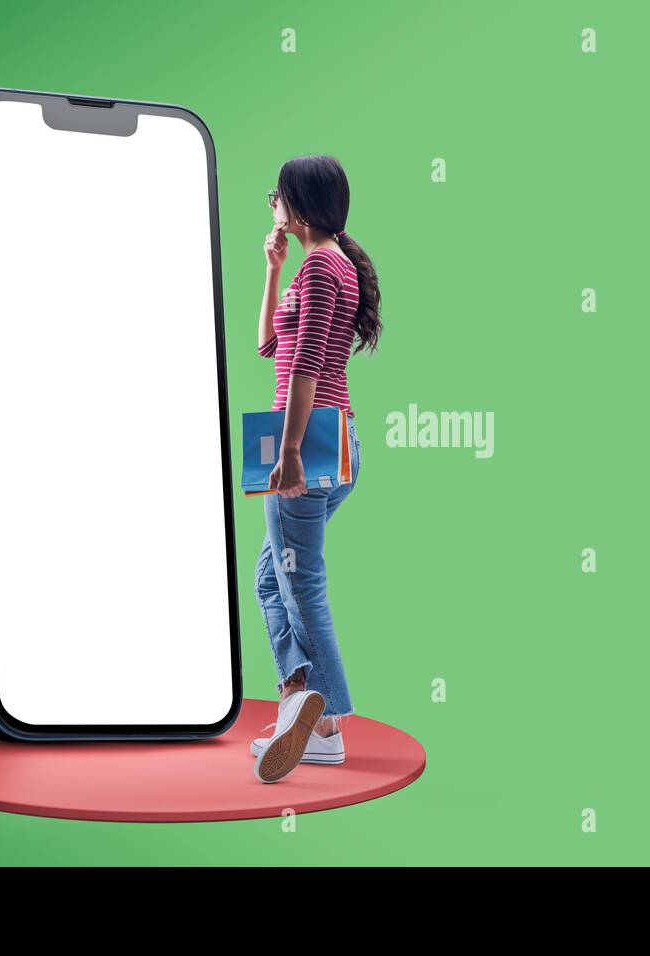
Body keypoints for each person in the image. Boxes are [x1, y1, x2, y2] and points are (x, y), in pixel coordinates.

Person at [251, 155, 382, 784]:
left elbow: (303, 367)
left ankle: (325, 725)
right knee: (273, 579)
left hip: (308, 436)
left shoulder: (325, 267)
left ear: (296, 204)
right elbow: (270, 346)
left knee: (301, 584)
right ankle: (297, 705)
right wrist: (273, 269)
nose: (270, 204)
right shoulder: (321, 265)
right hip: (321, 435)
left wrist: (290, 452)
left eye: (275, 195)